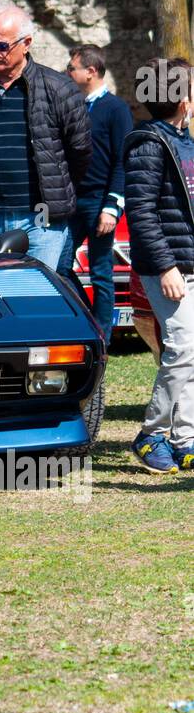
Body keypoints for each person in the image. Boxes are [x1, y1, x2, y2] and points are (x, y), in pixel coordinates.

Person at [0, 0, 91, 268]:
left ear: (26, 43)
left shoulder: (59, 89)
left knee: (35, 299)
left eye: (2, 45)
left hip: (40, 220)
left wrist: (56, 193)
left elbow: (80, 151)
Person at [124, 57, 194, 474]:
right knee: (182, 349)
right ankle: (151, 433)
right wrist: (166, 266)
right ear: (183, 100)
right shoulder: (148, 143)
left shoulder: (185, 142)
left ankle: (186, 438)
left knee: (193, 353)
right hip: (166, 267)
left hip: (190, 260)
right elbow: (142, 213)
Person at [57, 45, 134, 344]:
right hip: (73, 201)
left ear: (90, 71)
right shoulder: (74, 106)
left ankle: (102, 339)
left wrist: (112, 207)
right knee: (60, 266)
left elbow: (123, 160)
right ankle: (89, 322)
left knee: (101, 273)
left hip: (100, 202)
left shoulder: (116, 109)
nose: (67, 72)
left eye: (72, 67)